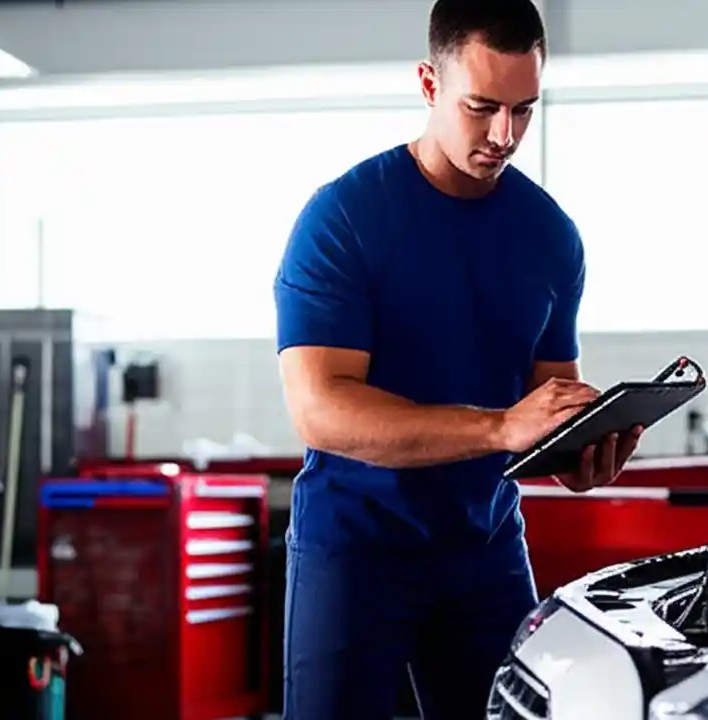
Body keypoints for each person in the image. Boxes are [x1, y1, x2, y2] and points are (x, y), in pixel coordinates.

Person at [272, 1, 643, 718]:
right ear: (428, 84)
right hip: (355, 550)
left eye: (524, 110)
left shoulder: (550, 237)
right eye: (482, 108)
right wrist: (502, 429)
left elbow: (546, 407)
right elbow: (320, 411)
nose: (505, 135)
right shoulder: (343, 219)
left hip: (484, 548)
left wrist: (580, 449)